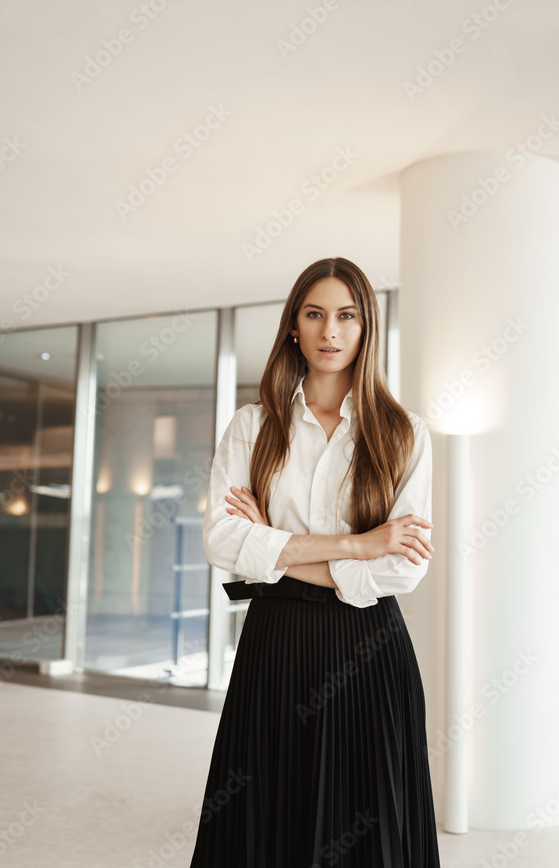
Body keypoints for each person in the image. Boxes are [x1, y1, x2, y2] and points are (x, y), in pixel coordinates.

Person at [188, 256, 442, 867]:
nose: (331, 330)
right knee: (267, 820)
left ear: (366, 329)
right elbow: (222, 542)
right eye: (315, 314)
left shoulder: (405, 432)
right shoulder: (252, 427)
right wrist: (358, 544)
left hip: (370, 649)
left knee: (368, 829)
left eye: (347, 316)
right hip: (275, 648)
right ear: (293, 328)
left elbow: (402, 569)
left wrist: (270, 545)